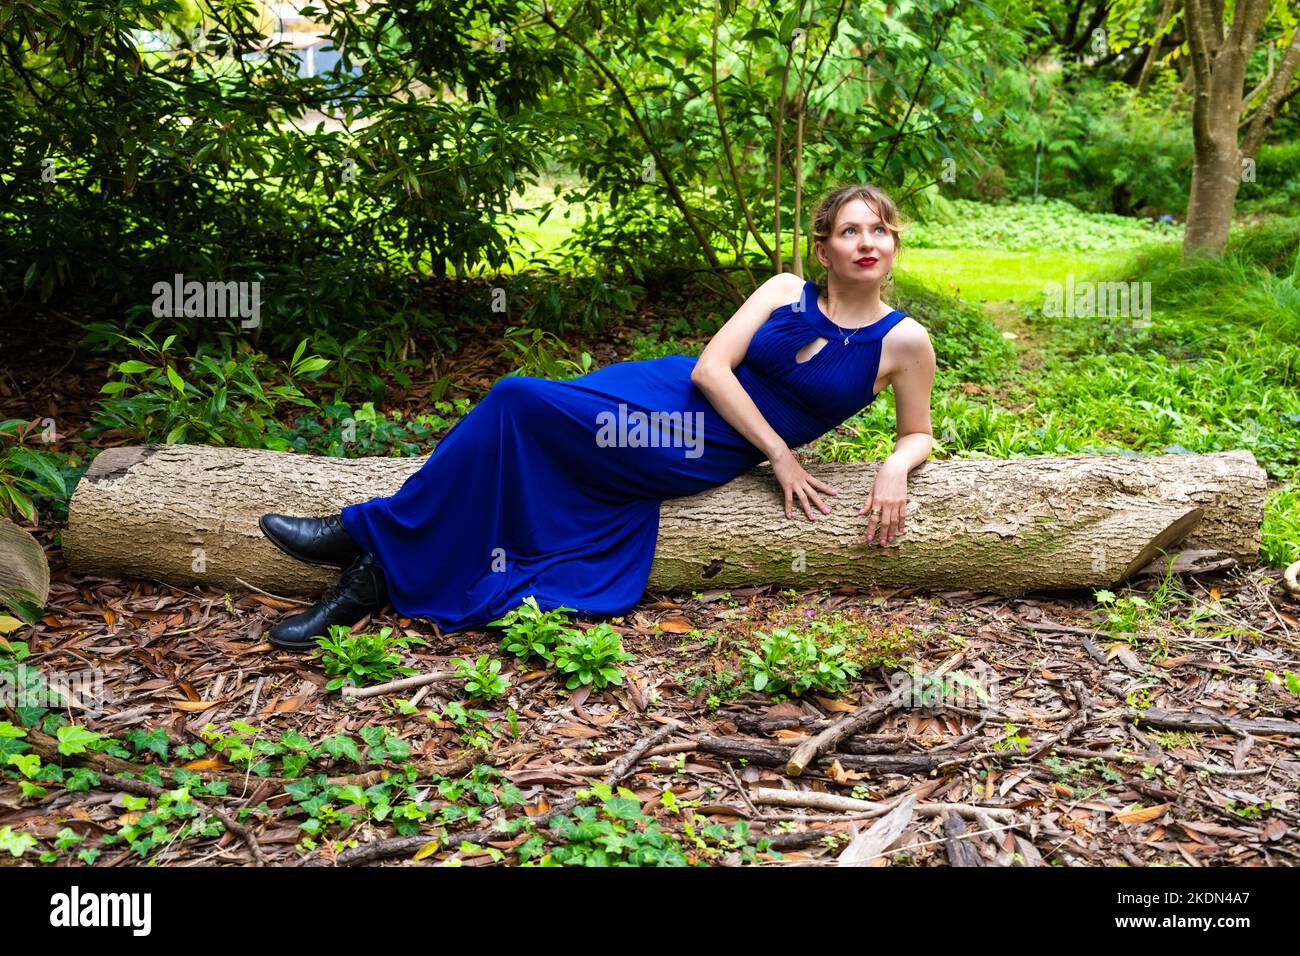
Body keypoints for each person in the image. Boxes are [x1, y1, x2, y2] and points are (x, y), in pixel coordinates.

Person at [259, 182, 937, 651]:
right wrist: (783, 454)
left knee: (518, 400)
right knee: (520, 411)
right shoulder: (786, 289)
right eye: (850, 230)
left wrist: (895, 467)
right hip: (670, 389)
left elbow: (918, 433)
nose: (866, 241)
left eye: (879, 230)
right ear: (824, 249)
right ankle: (370, 561)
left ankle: (364, 550)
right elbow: (709, 368)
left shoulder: (905, 343)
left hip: (701, 442)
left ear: (893, 247)